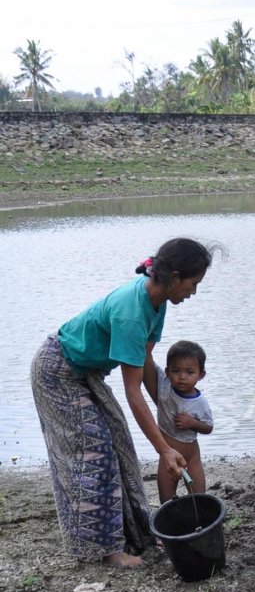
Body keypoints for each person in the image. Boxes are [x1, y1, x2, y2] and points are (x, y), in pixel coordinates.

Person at [30, 238, 213, 568]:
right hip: (58, 372)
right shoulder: (131, 313)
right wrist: (164, 449)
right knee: (95, 451)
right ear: (173, 277)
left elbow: (145, 363)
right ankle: (107, 550)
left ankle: (135, 532)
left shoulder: (158, 303)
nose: (193, 292)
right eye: (193, 283)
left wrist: (173, 405)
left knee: (119, 445)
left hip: (85, 374)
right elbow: (133, 393)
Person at [144, 340, 213, 503]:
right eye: (176, 371)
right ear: (167, 372)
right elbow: (147, 361)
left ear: (201, 375)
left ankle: (200, 523)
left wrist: (193, 423)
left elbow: (209, 427)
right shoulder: (164, 385)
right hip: (168, 454)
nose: (182, 377)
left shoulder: (200, 402)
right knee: (166, 499)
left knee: (199, 498)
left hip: (192, 456)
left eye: (190, 372)